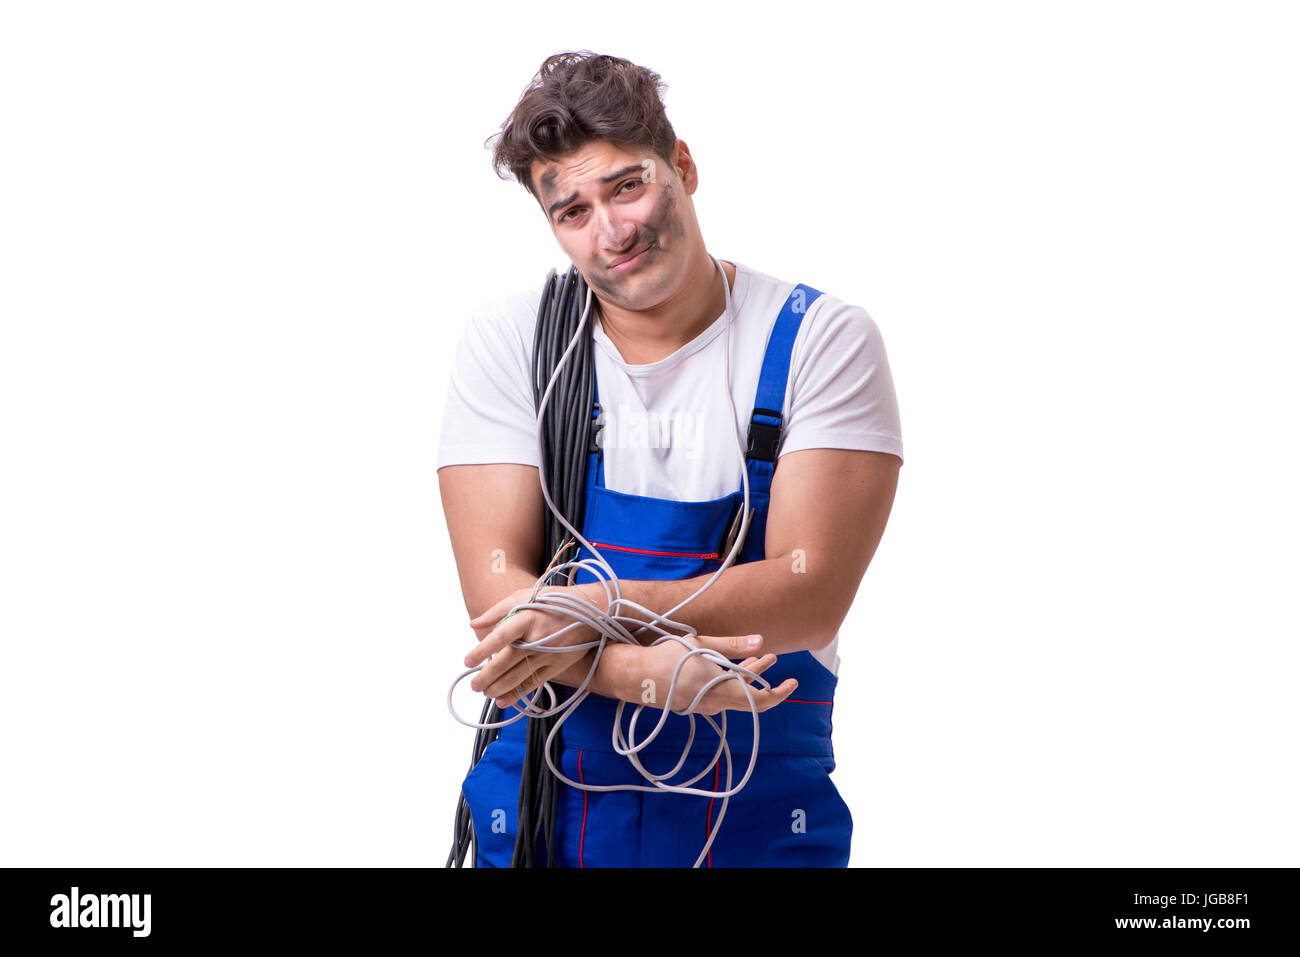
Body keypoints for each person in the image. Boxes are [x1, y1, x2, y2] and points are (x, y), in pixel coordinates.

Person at [437, 51, 903, 867]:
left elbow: (808, 592)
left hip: (757, 824)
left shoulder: (817, 342)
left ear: (682, 165)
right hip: (544, 821)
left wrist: (585, 612)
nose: (612, 231)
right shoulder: (513, 345)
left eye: (627, 185)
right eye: (572, 211)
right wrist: (640, 676)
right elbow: (498, 600)